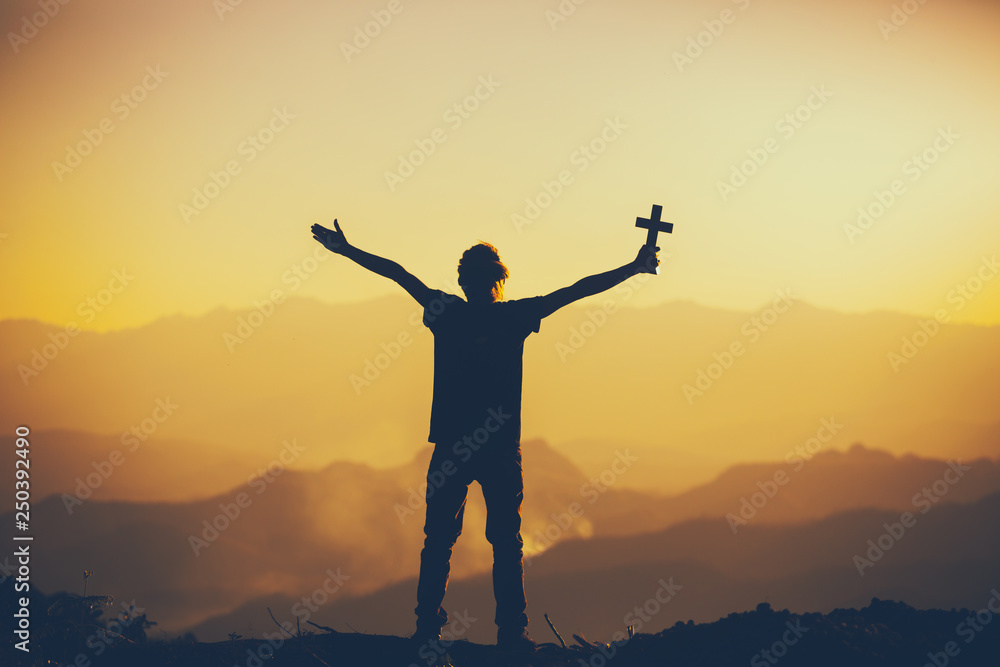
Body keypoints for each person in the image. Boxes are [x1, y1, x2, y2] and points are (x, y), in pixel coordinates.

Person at [311, 220, 659, 652]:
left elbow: (398, 273)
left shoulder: (446, 311)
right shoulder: (514, 316)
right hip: (499, 449)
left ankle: (427, 630)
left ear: (462, 279)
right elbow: (577, 290)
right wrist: (634, 267)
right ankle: (512, 635)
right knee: (507, 543)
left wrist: (347, 250)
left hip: (452, 446)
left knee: (438, 539)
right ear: (500, 281)